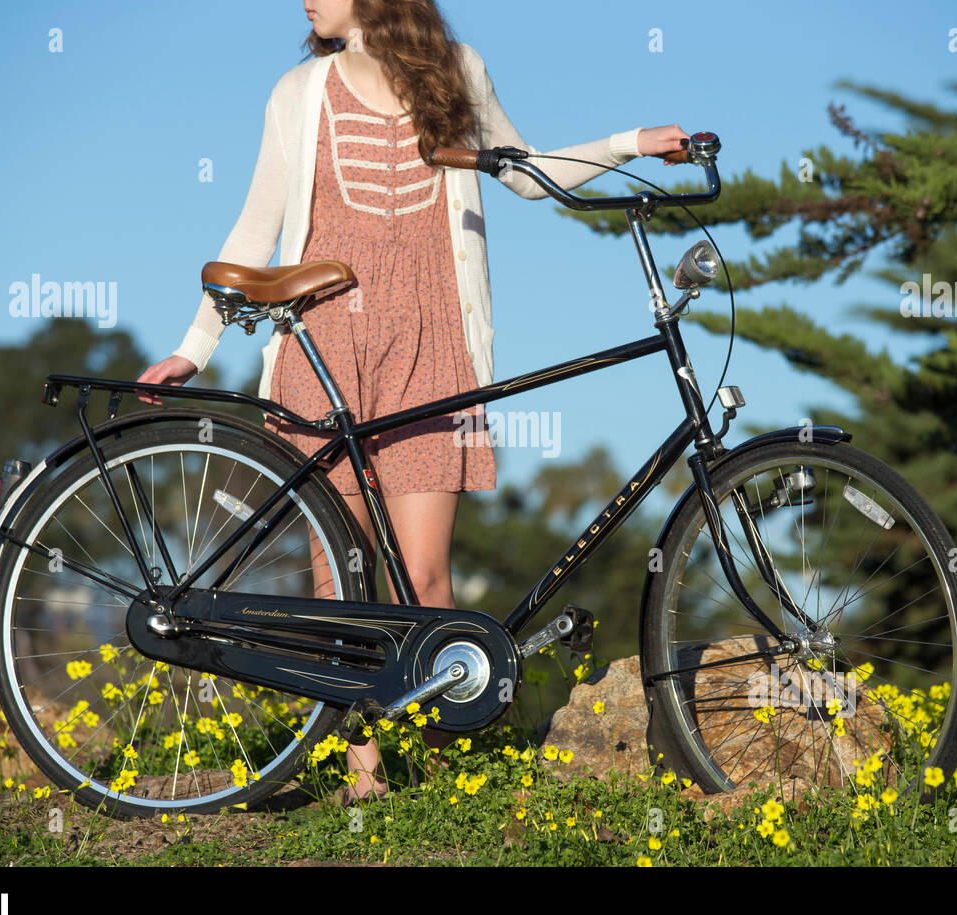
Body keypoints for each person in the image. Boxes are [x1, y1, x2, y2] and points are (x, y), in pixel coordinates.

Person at [136, 0, 688, 805]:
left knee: (426, 576)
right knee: (343, 572)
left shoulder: (457, 73)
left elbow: (528, 174)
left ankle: (434, 770)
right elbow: (258, 225)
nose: (302, 1)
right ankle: (365, 780)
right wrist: (195, 344)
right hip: (322, 342)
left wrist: (628, 143)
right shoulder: (302, 90)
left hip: (434, 346)